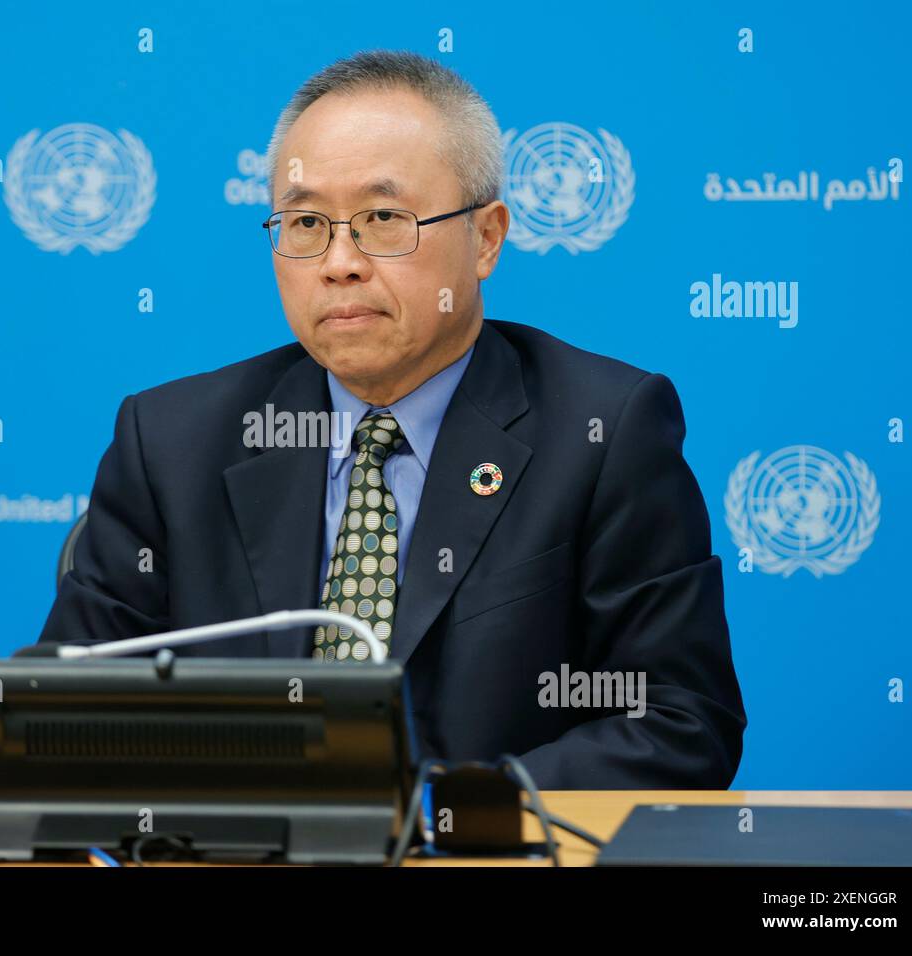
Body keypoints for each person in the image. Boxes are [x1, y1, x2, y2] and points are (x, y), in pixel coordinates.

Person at [39, 49, 746, 788]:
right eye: (306, 222)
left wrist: (433, 817)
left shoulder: (602, 432)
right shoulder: (172, 440)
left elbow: (677, 722)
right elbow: (63, 719)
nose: (339, 261)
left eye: (383, 218)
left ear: (487, 237)